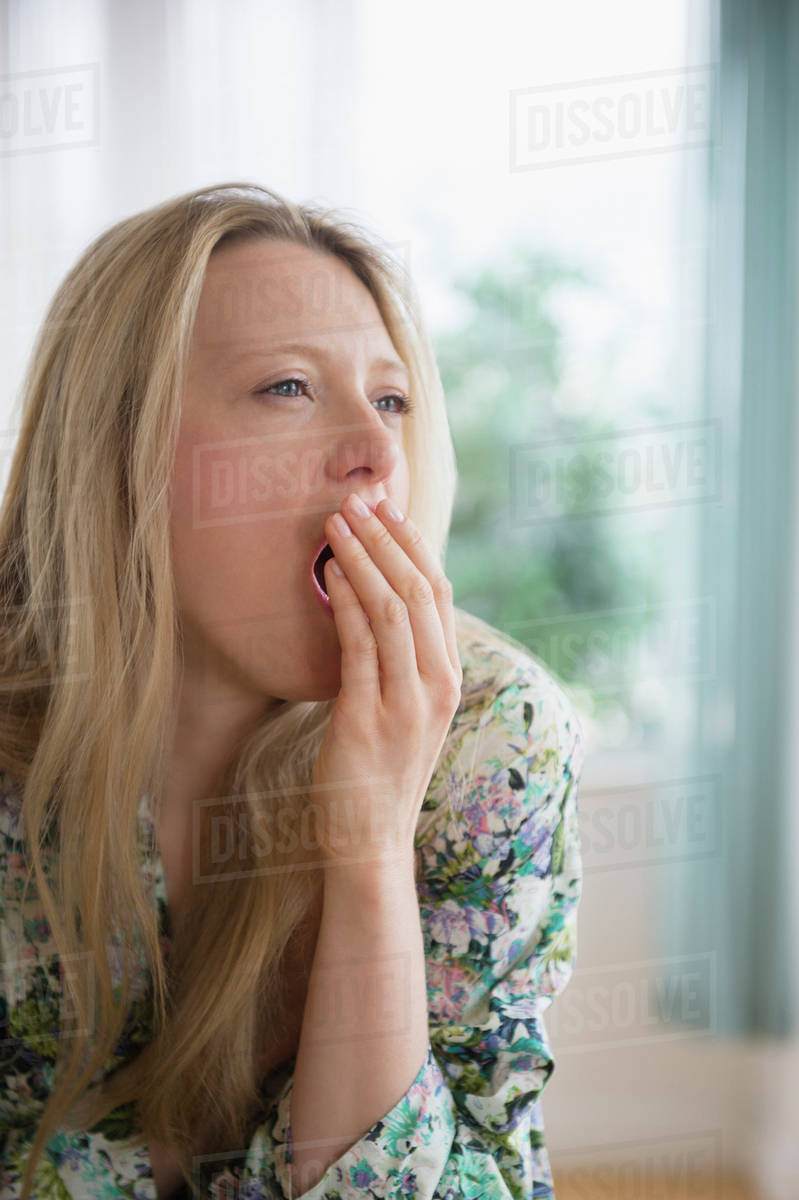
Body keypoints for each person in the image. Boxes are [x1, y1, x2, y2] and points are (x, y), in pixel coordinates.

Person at [0, 182, 584, 1199]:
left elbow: (477, 1179)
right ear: (119, 452)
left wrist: (368, 844)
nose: (375, 452)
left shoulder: (492, 742)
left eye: (391, 399)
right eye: (287, 388)